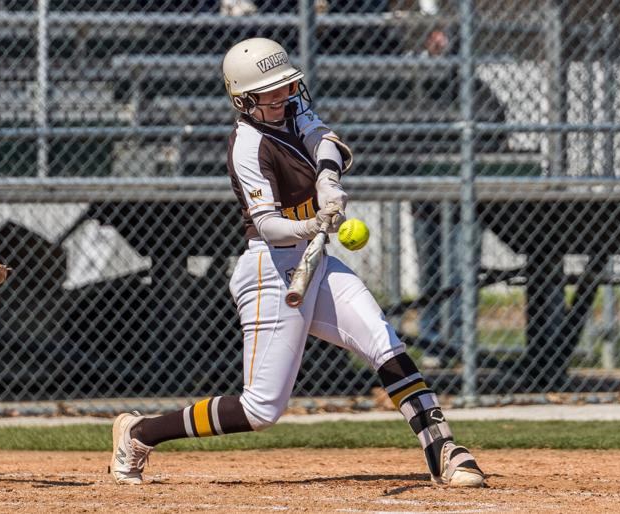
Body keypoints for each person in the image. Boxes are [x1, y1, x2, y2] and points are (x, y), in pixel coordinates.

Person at [108, 37, 485, 488]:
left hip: (314, 264)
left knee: (383, 341)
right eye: (271, 91)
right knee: (260, 409)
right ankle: (140, 432)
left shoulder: (290, 109)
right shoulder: (248, 145)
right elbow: (268, 227)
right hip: (270, 271)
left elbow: (324, 139)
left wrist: (327, 179)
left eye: (286, 86)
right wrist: (311, 225)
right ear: (244, 100)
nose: (284, 96)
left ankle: (443, 448)